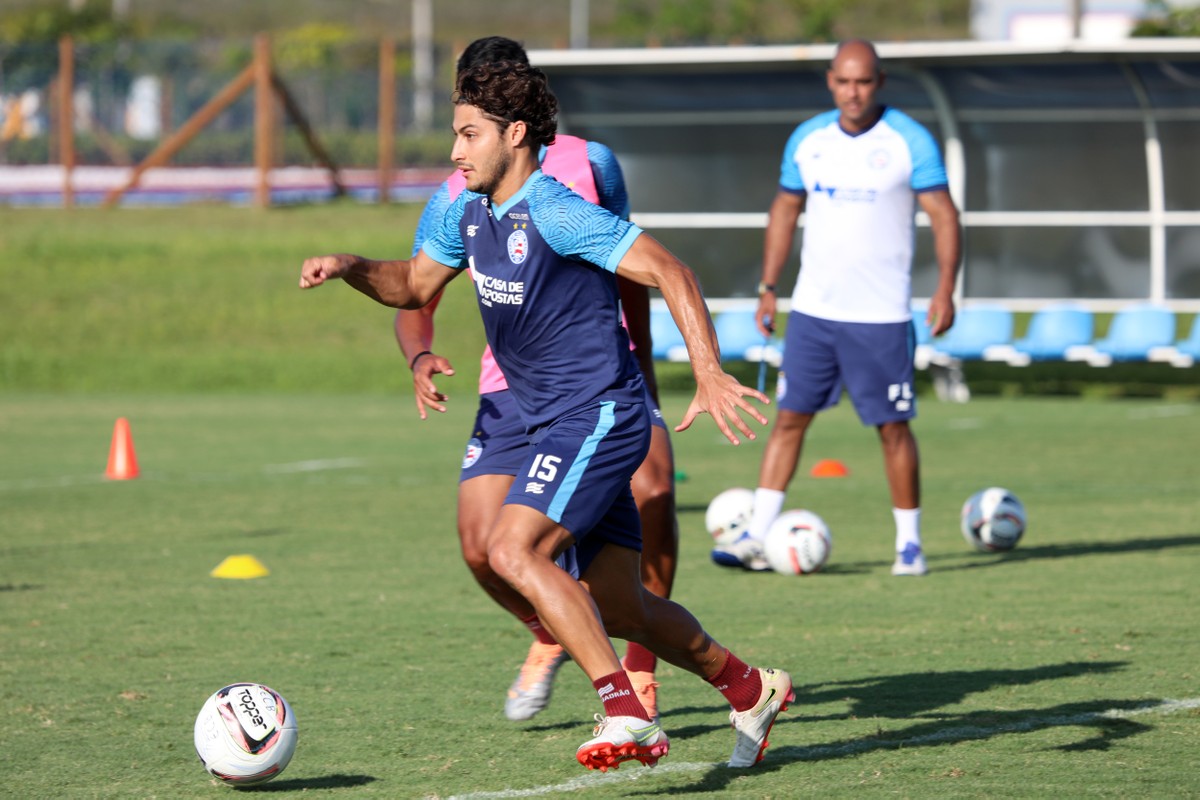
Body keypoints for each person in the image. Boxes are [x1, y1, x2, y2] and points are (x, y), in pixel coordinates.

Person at [301, 60, 792, 772]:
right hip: (545, 421)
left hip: (598, 414)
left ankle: (626, 713)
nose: (455, 151)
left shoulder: (558, 211)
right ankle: (749, 686)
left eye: (469, 134)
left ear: (516, 134)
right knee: (622, 607)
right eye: (455, 134)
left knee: (511, 549)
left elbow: (671, 272)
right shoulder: (471, 212)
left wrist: (708, 371)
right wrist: (350, 265)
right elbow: (412, 286)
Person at [394, 36, 678, 724]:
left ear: (516, 106)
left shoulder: (591, 164)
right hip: (508, 390)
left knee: (654, 490)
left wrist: (642, 359)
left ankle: (637, 676)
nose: (463, 139)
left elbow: (628, 259)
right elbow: (415, 295)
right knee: (483, 548)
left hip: (599, 376)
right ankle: (551, 628)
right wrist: (418, 356)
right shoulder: (455, 191)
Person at [712, 39, 962, 577]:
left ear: (880, 82)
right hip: (814, 313)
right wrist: (768, 285)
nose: (854, 92)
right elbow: (784, 209)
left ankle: (909, 545)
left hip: (882, 316)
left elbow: (943, 214)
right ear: (830, 80)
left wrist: (945, 289)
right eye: (845, 81)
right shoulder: (809, 139)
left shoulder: (908, 140)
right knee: (789, 419)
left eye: (864, 81)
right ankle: (757, 533)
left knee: (893, 429)